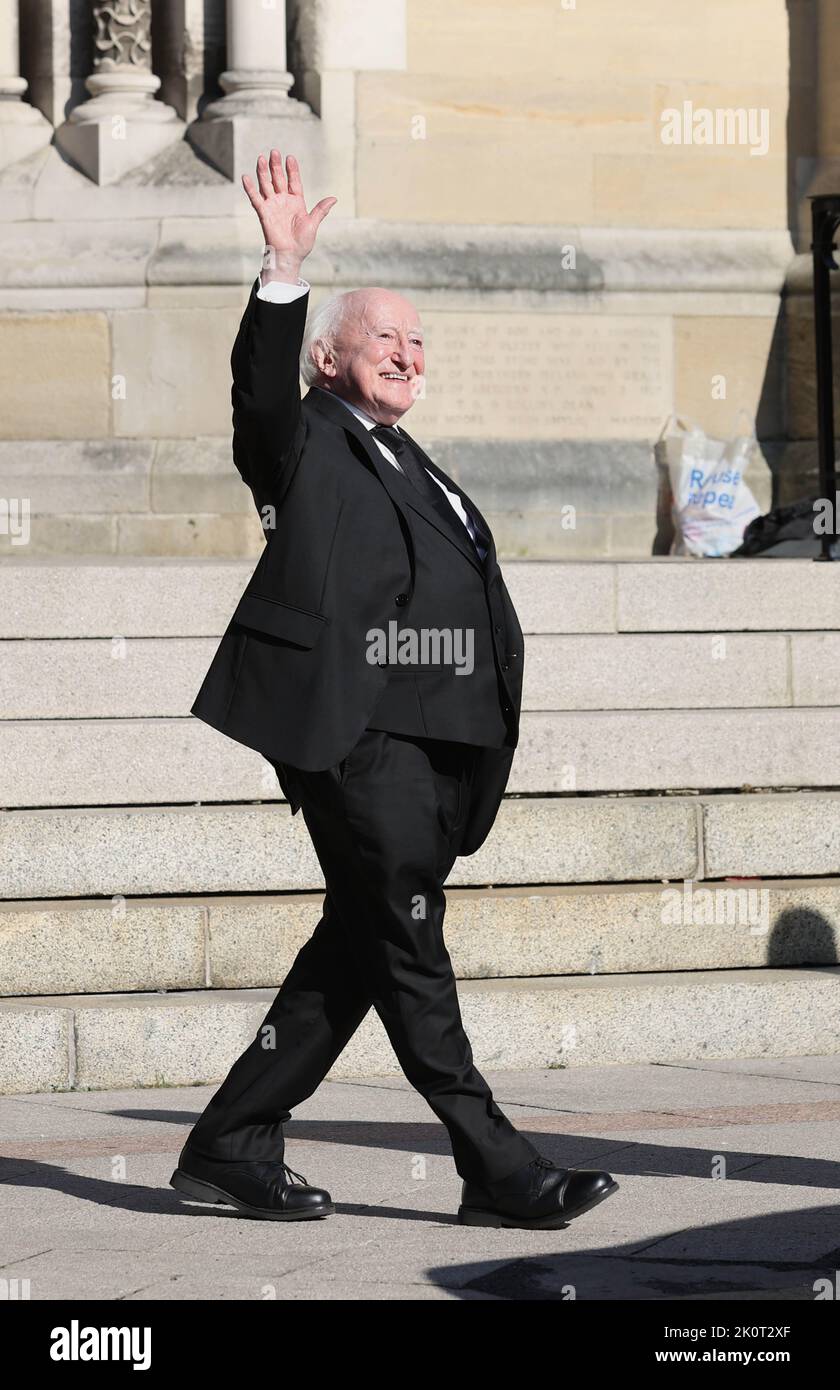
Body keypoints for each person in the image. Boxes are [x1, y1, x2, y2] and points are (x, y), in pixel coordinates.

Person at [169, 151, 618, 1230]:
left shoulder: (416, 460)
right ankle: (496, 1163)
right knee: (410, 944)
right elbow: (257, 401)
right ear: (329, 359)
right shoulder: (307, 442)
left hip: (436, 747)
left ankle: (229, 1143)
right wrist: (283, 266)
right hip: (358, 734)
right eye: (385, 338)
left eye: (420, 341)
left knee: (360, 945)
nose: (409, 354)